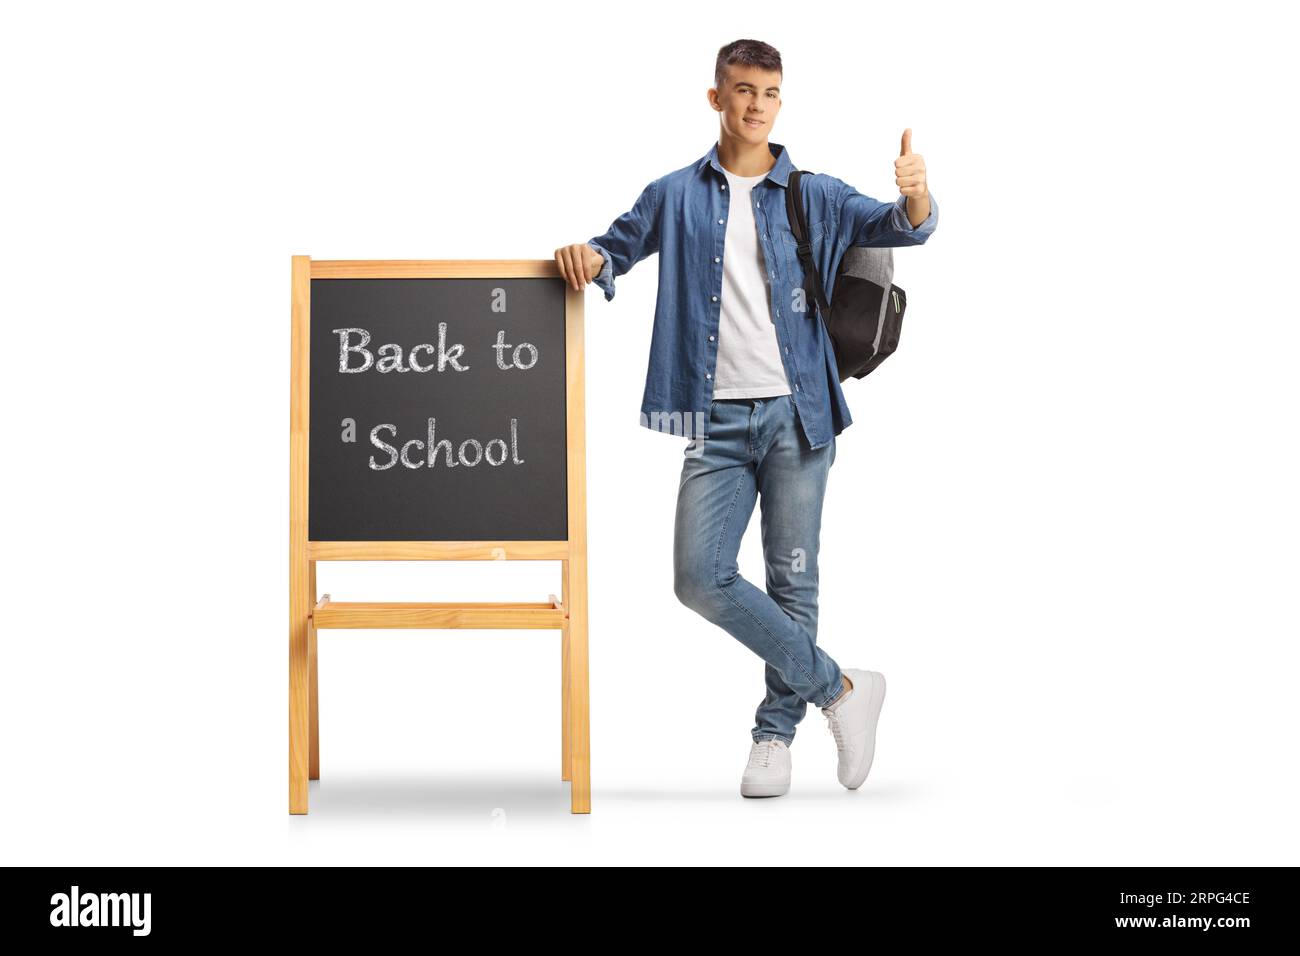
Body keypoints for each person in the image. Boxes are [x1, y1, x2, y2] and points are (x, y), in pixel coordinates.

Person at [554, 38, 938, 798]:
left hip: (800, 416)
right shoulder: (674, 193)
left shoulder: (813, 192)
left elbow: (906, 226)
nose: (756, 104)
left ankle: (773, 738)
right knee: (700, 578)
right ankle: (842, 691)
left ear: (779, 101)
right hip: (715, 421)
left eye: (769, 92)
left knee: (793, 585)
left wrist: (918, 193)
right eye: (742, 90)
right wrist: (588, 257)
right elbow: (615, 248)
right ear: (716, 98)